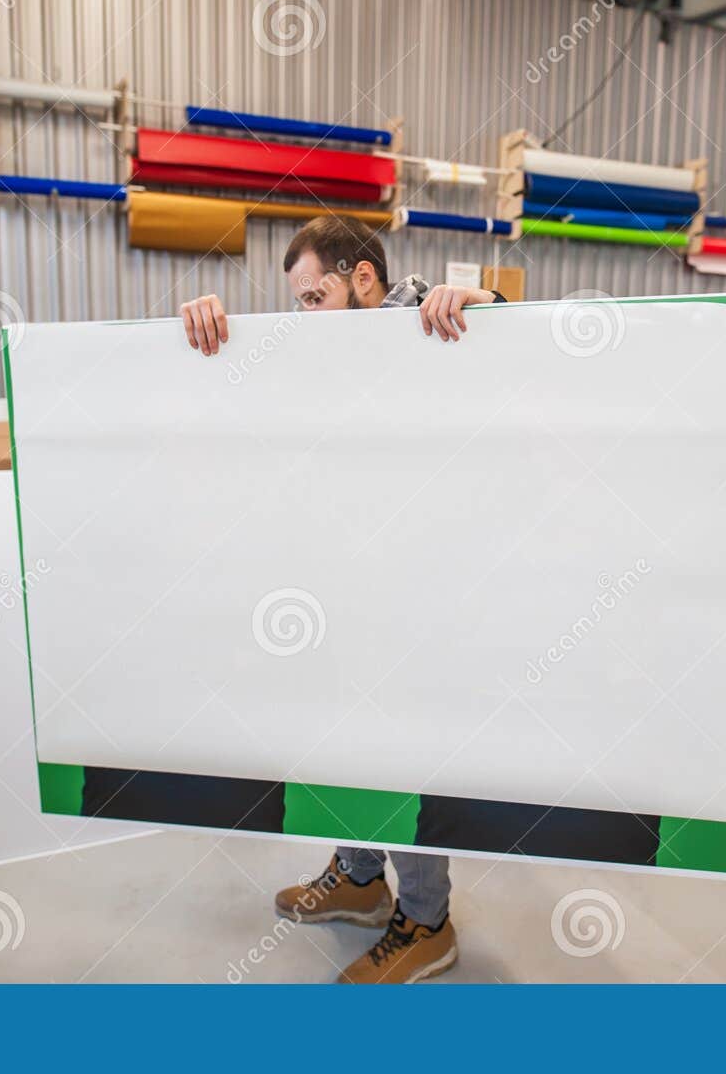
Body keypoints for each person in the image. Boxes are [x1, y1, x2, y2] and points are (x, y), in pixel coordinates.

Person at [177, 214, 503, 984]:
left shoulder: (430, 324)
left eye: (313, 298)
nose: (303, 317)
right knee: (344, 730)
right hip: (340, 581)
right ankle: (359, 875)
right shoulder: (318, 356)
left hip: (414, 589)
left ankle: (426, 920)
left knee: (401, 744)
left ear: (363, 280)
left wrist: (483, 299)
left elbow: (523, 344)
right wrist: (205, 325)